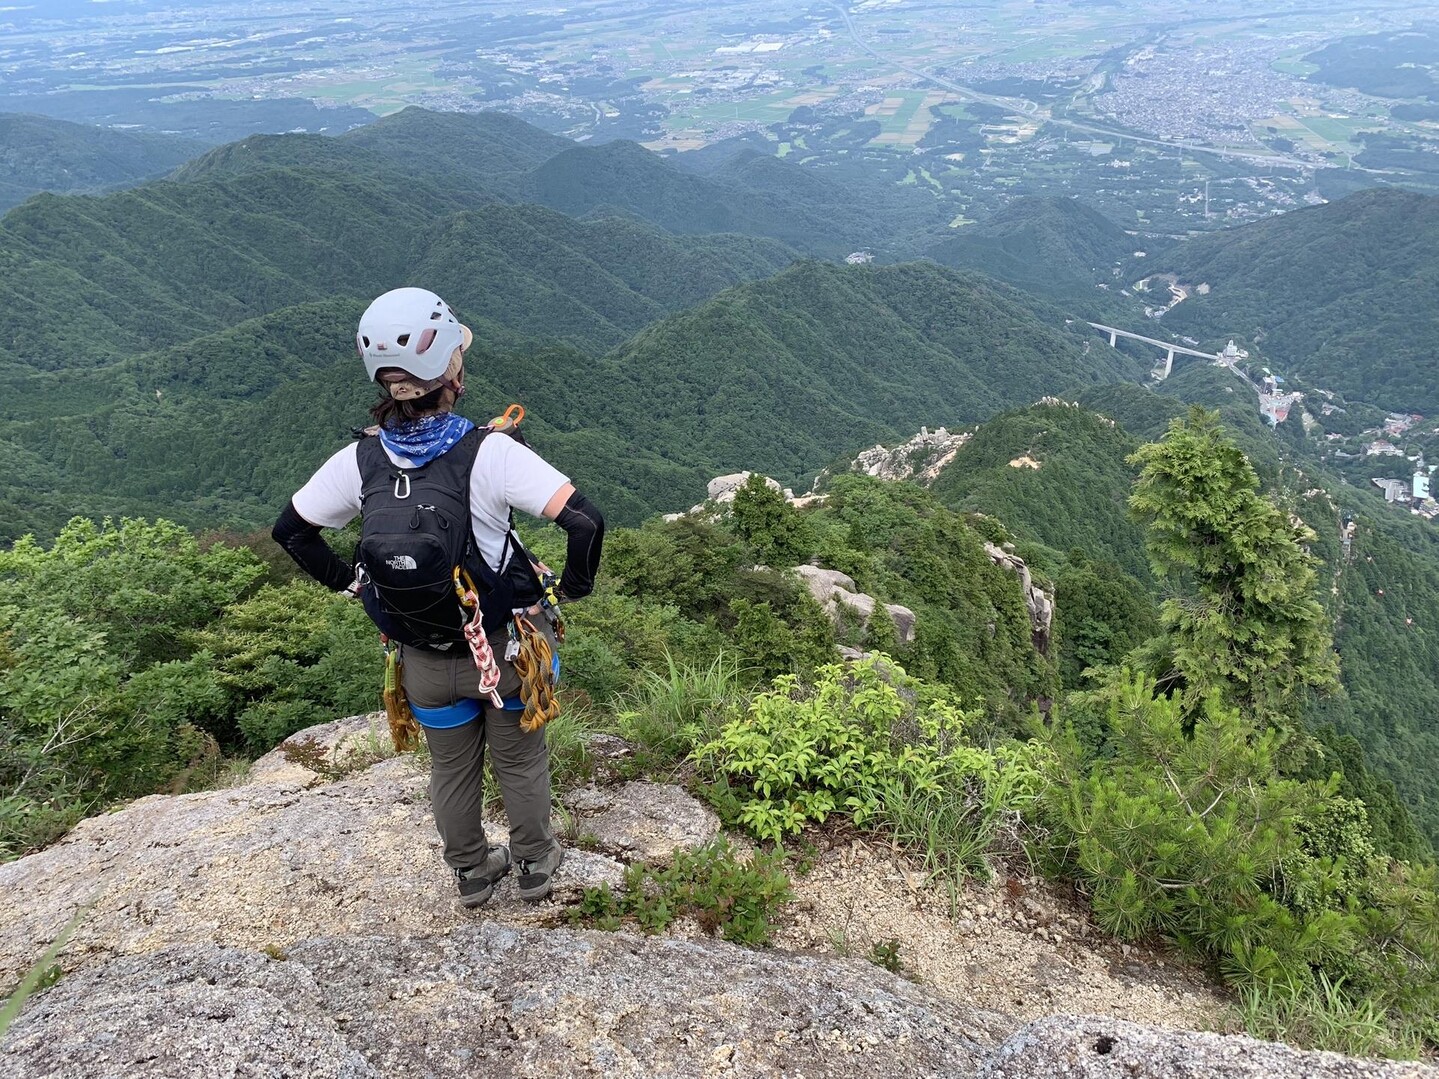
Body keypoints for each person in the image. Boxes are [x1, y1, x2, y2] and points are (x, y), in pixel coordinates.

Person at [272, 286, 604, 908]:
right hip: (504, 653)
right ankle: (534, 865)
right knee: (520, 762)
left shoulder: (360, 459)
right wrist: (572, 589)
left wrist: (354, 585)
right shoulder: (492, 452)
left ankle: (473, 875)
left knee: (451, 770)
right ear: (450, 368)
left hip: (421, 659)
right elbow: (584, 523)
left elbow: (291, 532)